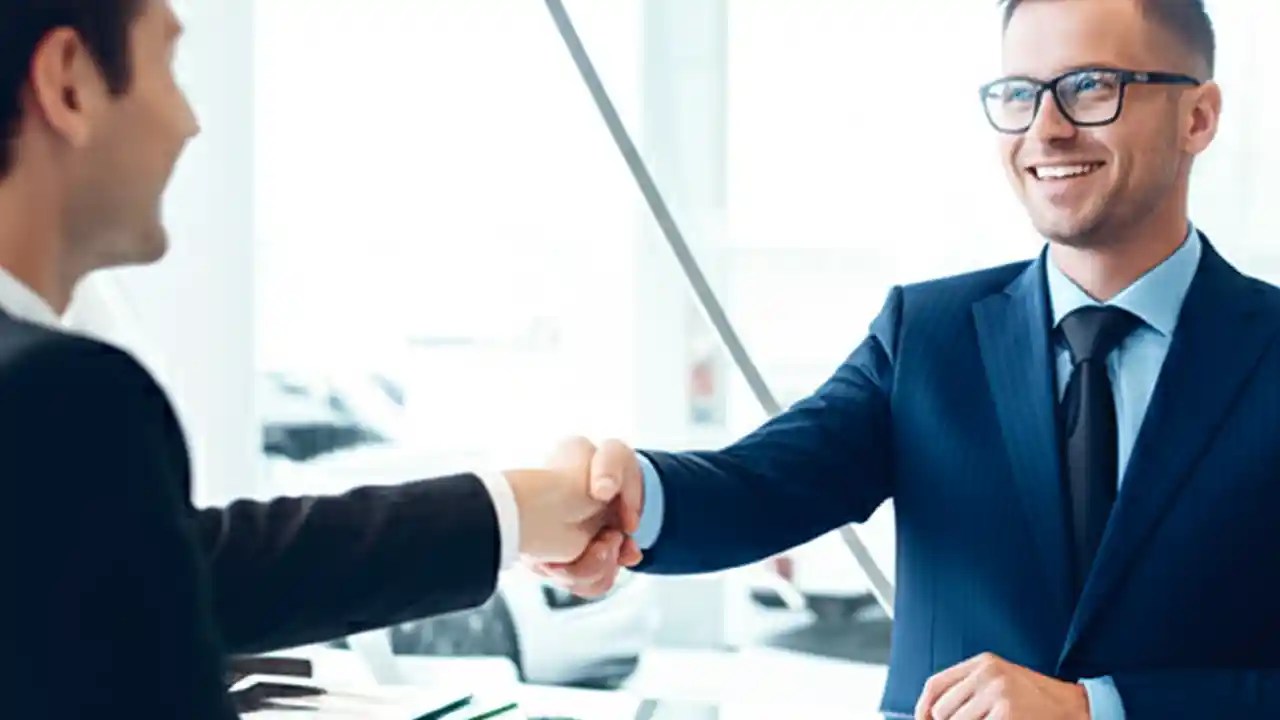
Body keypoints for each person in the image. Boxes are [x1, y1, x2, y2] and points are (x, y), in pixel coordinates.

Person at [544, 1, 1280, 718]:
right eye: (1020, 94)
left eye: (1090, 87)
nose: (1045, 129)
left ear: (1199, 117)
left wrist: (1099, 709)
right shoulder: (926, 334)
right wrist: (628, 494)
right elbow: (765, 482)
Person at [0, 1, 633, 717]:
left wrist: (512, 510)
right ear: (69, 83)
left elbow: (164, 579)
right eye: (168, 67)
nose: (190, 122)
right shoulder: (60, 395)